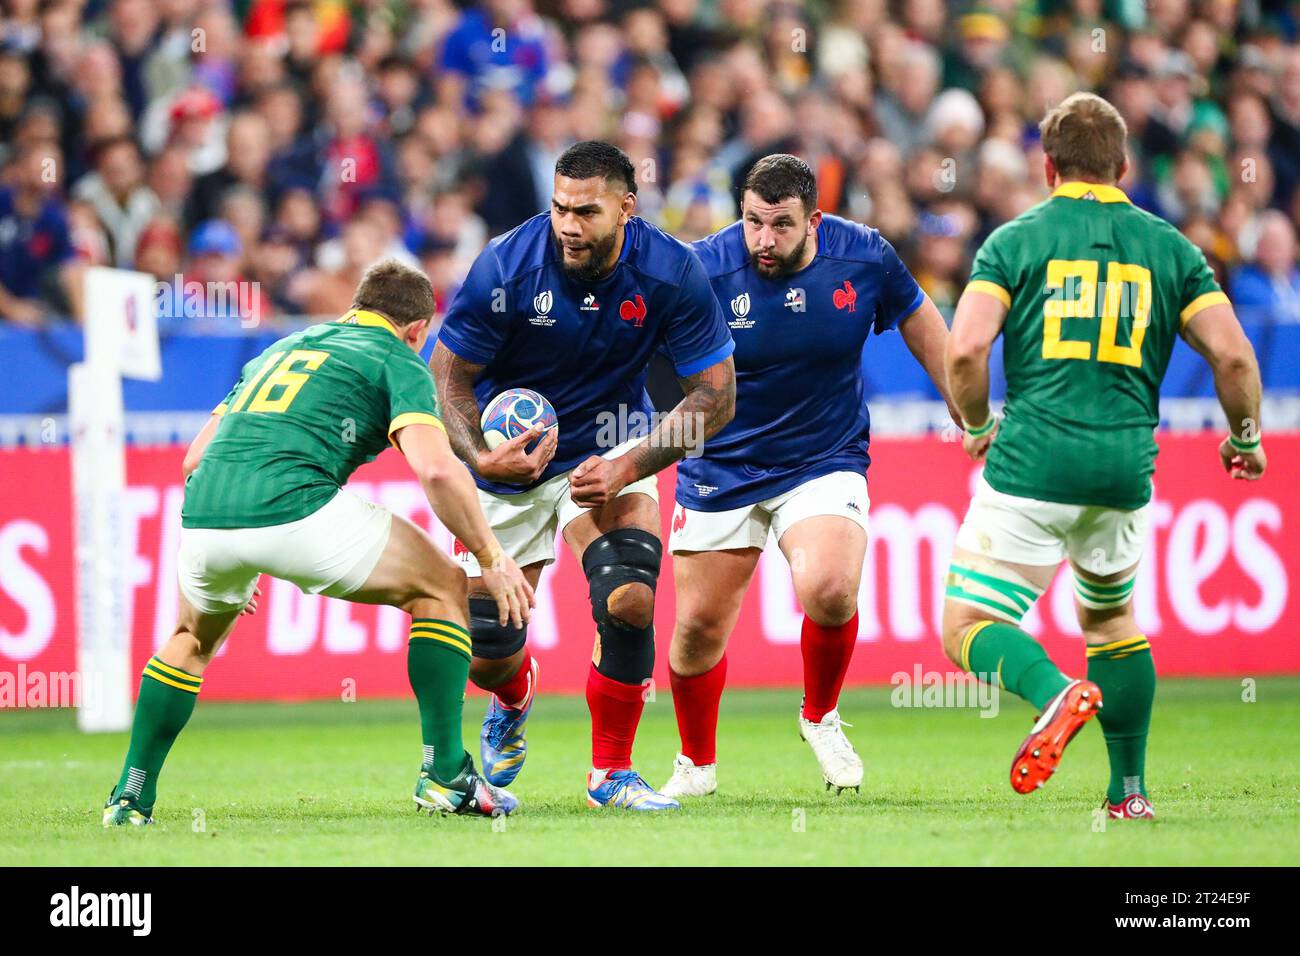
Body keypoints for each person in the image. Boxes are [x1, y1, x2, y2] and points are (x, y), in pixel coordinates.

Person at [103, 260, 533, 826]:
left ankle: (131, 797)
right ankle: (446, 775)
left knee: (189, 638)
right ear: (417, 330)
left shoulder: (279, 350)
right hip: (293, 505)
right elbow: (437, 472)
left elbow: (194, 458)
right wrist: (492, 557)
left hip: (206, 514)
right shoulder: (396, 359)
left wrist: (239, 544)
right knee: (445, 587)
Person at [940, 93, 1266, 819]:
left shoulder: (1015, 241)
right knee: (1112, 623)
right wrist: (1245, 439)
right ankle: (1129, 795)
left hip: (1033, 462)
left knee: (964, 625)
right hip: (1124, 471)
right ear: (1123, 166)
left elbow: (964, 348)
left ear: (1047, 166)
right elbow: (1236, 359)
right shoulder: (1171, 247)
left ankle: (1054, 692)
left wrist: (973, 420)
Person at [431, 141, 736, 810]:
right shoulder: (506, 265)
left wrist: (631, 461)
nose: (568, 225)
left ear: (627, 207)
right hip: (509, 460)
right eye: (560, 209)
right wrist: (480, 458)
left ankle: (611, 774)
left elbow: (716, 398)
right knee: (489, 648)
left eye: (586, 212)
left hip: (611, 443)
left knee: (628, 598)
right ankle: (513, 695)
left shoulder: (670, 271)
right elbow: (448, 378)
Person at [661, 154, 958, 798]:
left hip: (821, 457)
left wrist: (963, 399)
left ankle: (820, 714)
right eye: (752, 222)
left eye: (781, 225)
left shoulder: (865, 257)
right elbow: (654, 364)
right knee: (695, 635)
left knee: (828, 588)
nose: (763, 240)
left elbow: (919, 319)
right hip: (721, 463)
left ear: (814, 221)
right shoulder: (706, 269)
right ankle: (696, 764)